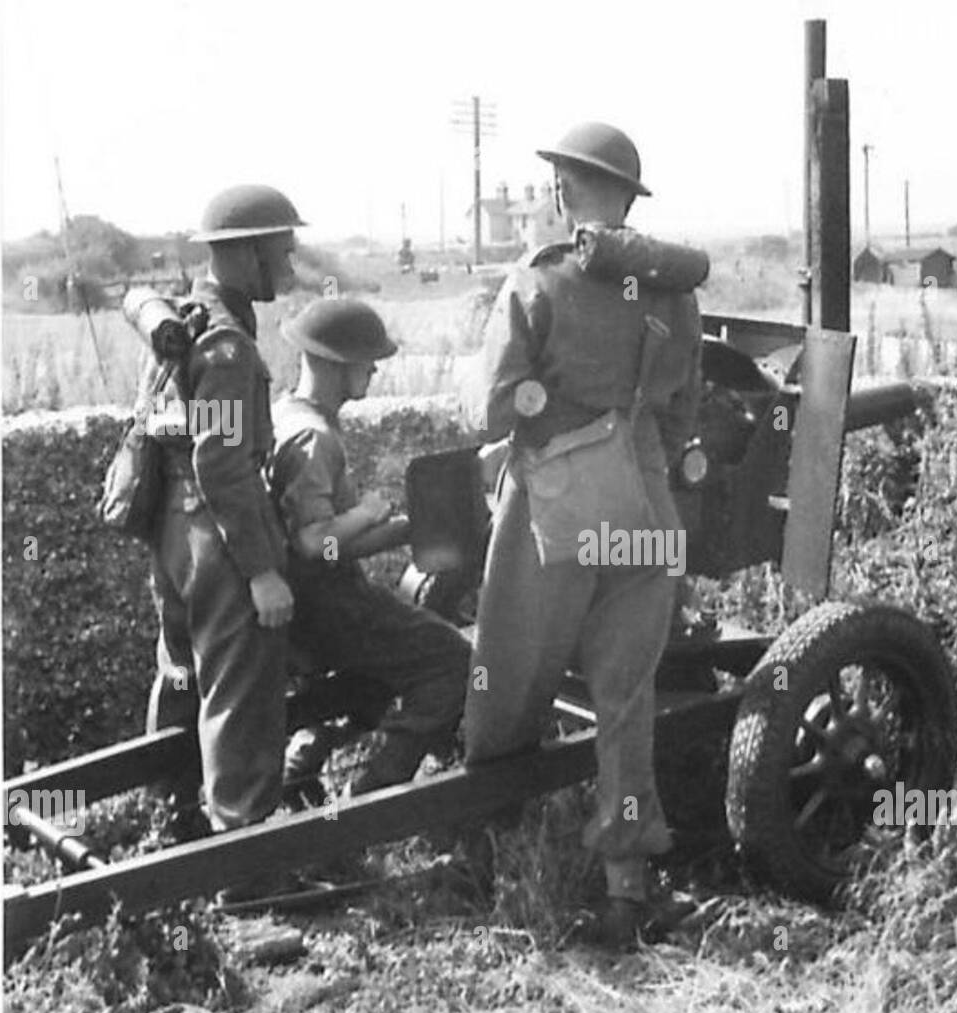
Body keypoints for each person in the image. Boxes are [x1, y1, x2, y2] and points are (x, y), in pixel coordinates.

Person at [463, 122, 704, 947]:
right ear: (629, 202)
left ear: (564, 192)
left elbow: (490, 404)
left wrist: (544, 419)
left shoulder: (540, 282)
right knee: (627, 700)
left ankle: (482, 852)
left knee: (507, 680)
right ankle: (626, 889)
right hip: (647, 513)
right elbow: (681, 412)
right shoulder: (672, 293)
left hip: (557, 509)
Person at [146, 184, 302, 834]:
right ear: (246, 256)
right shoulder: (228, 345)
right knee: (241, 692)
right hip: (219, 535)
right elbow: (220, 460)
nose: (290, 267)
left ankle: (173, 821)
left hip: (176, 529)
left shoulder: (188, 321)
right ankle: (244, 872)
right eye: (281, 252)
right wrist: (262, 570)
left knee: (183, 678)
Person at [269, 298, 470, 800]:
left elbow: (333, 545)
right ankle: (371, 799)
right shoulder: (313, 437)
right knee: (452, 661)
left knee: (401, 649)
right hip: (329, 608)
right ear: (338, 365)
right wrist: (367, 513)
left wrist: (410, 528)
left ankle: (302, 764)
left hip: (316, 602)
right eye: (368, 359)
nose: (376, 368)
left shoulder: (291, 415)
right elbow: (316, 543)